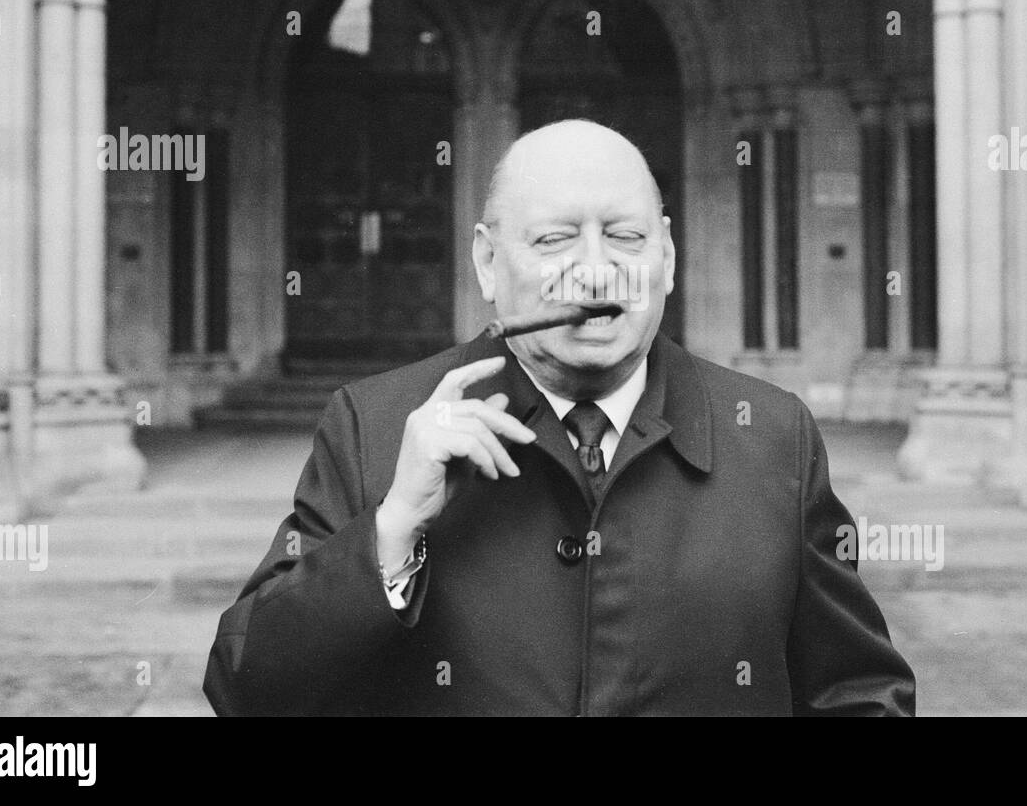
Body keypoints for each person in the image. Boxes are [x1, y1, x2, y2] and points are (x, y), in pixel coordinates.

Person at [203, 119, 915, 716]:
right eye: (553, 241)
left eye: (626, 238)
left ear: (666, 256)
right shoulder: (375, 425)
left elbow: (857, 691)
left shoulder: (773, 436)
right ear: (487, 261)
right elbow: (246, 687)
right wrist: (390, 531)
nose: (596, 271)